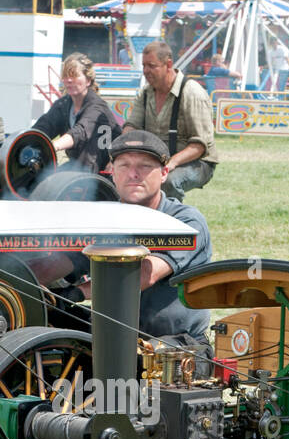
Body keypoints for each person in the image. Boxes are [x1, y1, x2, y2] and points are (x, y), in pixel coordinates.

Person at [103, 130, 211, 343]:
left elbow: (145, 274)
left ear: (164, 173)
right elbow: (66, 260)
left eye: (144, 166)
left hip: (177, 344)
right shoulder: (104, 219)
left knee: (133, 366)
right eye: (124, 165)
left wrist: (77, 293)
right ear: (112, 173)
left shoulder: (186, 222)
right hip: (116, 334)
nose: (133, 174)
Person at [123, 40, 218, 201]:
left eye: (151, 66)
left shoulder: (192, 92)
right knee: (124, 177)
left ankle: (174, 220)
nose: (146, 71)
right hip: (159, 159)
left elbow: (199, 146)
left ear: (168, 64)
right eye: (144, 66)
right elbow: (132, 126)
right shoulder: (146, 93)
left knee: (168, 181)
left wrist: (170, 163)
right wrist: (123, 149)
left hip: (196, 162)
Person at [31, 53, 121, 173]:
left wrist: (53, 146)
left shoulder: (96, 107)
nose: (68, 80)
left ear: (88, 81)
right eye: (66, 76)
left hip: (104, 169)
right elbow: (43, 127)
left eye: (74, 76)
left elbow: (80, 132)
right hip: (79, 165)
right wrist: (28, 141)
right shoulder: (62, 105)